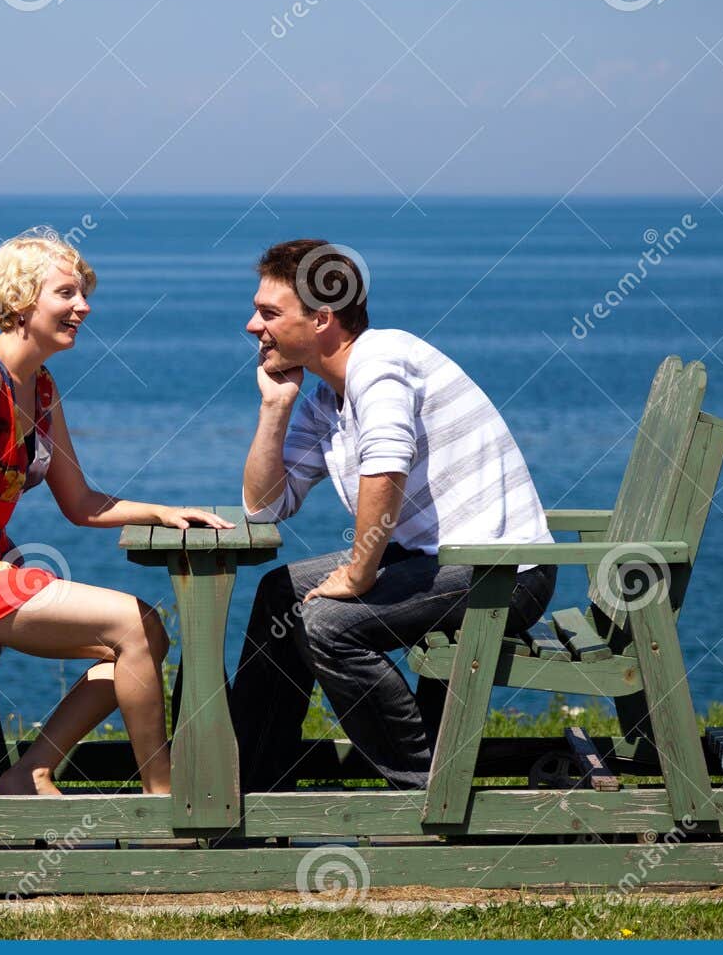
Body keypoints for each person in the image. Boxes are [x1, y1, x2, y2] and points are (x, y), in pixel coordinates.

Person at [0, 227, 230, 796]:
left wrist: (164, 512)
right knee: (135, 626)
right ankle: (164, 798)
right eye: (67, 294)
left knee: (148, 638)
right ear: (22, 300)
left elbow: (81, 503)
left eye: (83, 294)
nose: (84, 306)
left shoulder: (40, 387)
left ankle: (31, 773)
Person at [229, 240, 558, 791]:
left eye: (269, 313)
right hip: (441, 562)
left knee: (327, 626)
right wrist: (274, 406)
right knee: (279, 594)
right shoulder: (325, 399)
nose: (250, 325)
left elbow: (386, 462)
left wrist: (360, 571)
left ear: (322, 318)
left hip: (503, 573)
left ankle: (423, 789)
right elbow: (264, 507)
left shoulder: (379, 363)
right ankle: (253, 782)